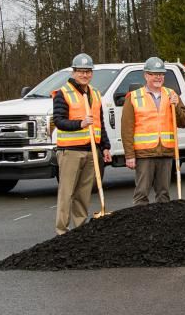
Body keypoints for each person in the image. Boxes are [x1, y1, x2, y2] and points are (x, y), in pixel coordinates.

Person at [52, 53, 111, 235]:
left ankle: (79, 230)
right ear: (74, 72)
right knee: (67, 192)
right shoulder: (63, 93)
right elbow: (59, 121)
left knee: (83, 193)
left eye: (88, 71)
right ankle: (62, 231)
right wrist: (80, 123)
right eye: (81, 71)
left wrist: (105, 146)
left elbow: (100, 123)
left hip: (91, 150)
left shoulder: (95, 94)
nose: (84, 75)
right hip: (70, 151)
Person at [121, 57, 185, 205]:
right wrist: (129, 155)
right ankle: (140, 218)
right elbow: (127, 129)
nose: (158, 77)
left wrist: (176, 106)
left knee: (163, 195)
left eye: (161, 74)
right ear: (146, 75)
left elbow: (184, 122)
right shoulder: (133, 97)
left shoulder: (171, 94)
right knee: (141, 194)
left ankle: (163, 220)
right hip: (144, 154)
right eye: (154, 74)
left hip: (166, 152)